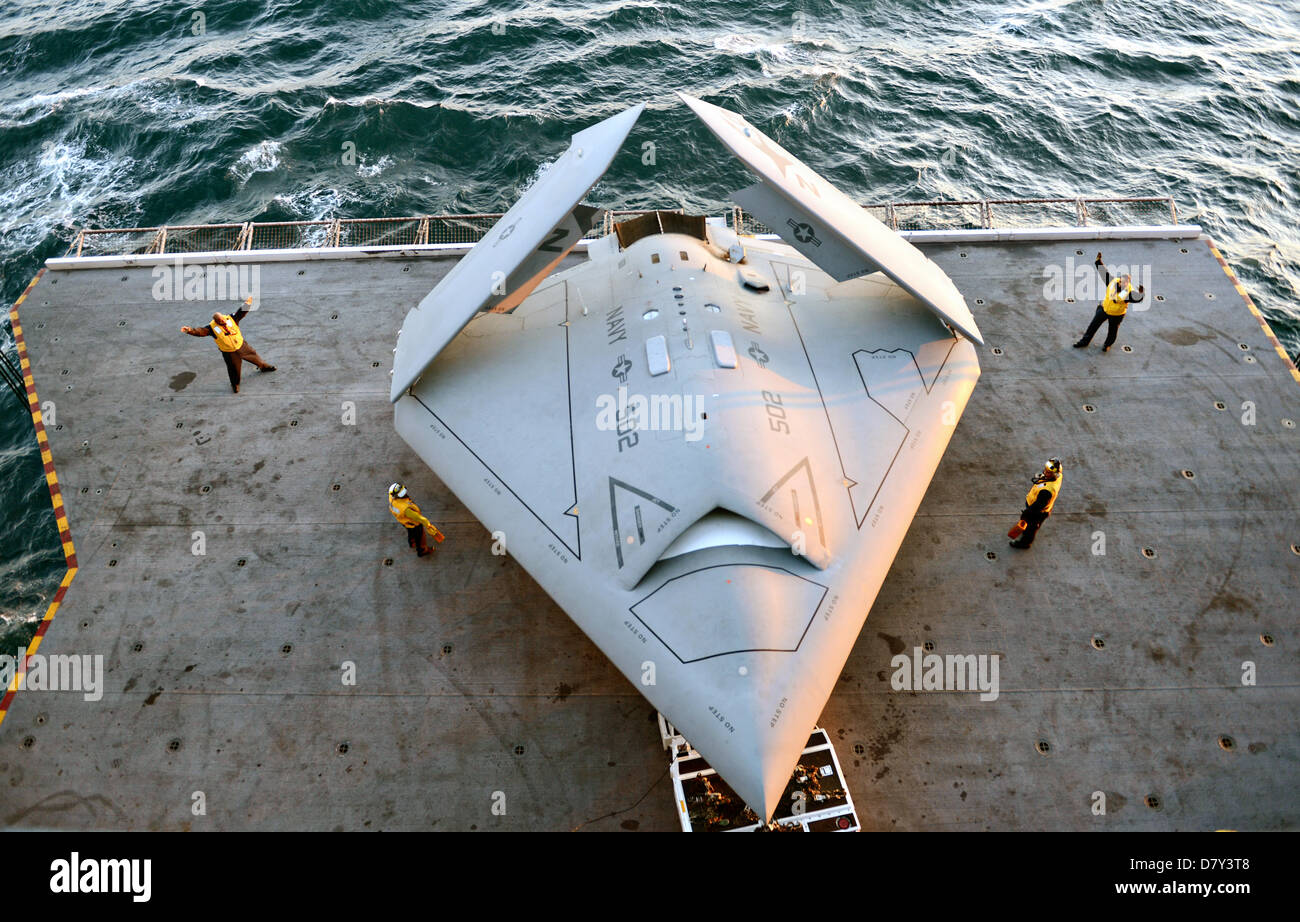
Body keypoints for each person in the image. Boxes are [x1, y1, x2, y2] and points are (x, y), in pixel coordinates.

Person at [181, 297, 275, 393]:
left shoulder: (231, 318)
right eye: (221, 321)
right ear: (216, 321)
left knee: (255, 357)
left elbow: (240, 313)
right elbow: (200, 332)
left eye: (223, 319)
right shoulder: (211, 328)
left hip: (241, 346)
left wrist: (247, 304)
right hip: (229, 353)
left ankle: (264, 367)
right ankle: (235, 385)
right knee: (234, 369)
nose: (223, 322)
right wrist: (190, 330)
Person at [1073, 251, 1145, 352]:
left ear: (1128, 283)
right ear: (1119, 280)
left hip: (1116, 314)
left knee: (1112, 331)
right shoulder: (1112, 282)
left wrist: (1141, 293)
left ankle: (1107, 344)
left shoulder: (1129, 293)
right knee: (1092, 326)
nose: (1123, 284)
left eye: (1125, 283)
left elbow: (1137, 298)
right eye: (1122, 281)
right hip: (1104, 308)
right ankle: (1084, 341)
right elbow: (1104, 272)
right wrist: (1098, 261)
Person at [1009, 458, 1063, 549]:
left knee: (1031, 528)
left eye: (1048, 472)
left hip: (1037, 512)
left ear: (1055, 474)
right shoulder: (1058, 475)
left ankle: (1025, 543)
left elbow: (1037, 507)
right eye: (1046, 470)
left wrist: (1026, 513)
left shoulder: (1047, 491)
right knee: (1031, 525)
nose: (1045, 473)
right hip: (1041, 507)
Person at [388, 483, 445, 557]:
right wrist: (428, 525)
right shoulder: (406, 509)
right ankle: (422, 551)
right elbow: (419, 518)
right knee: (420, 538)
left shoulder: (391, 497)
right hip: (414, 525)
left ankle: (412, 543)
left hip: (404, 522)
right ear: (397, 496)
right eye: (402, 494)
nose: (405, 494)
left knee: (411, 533)